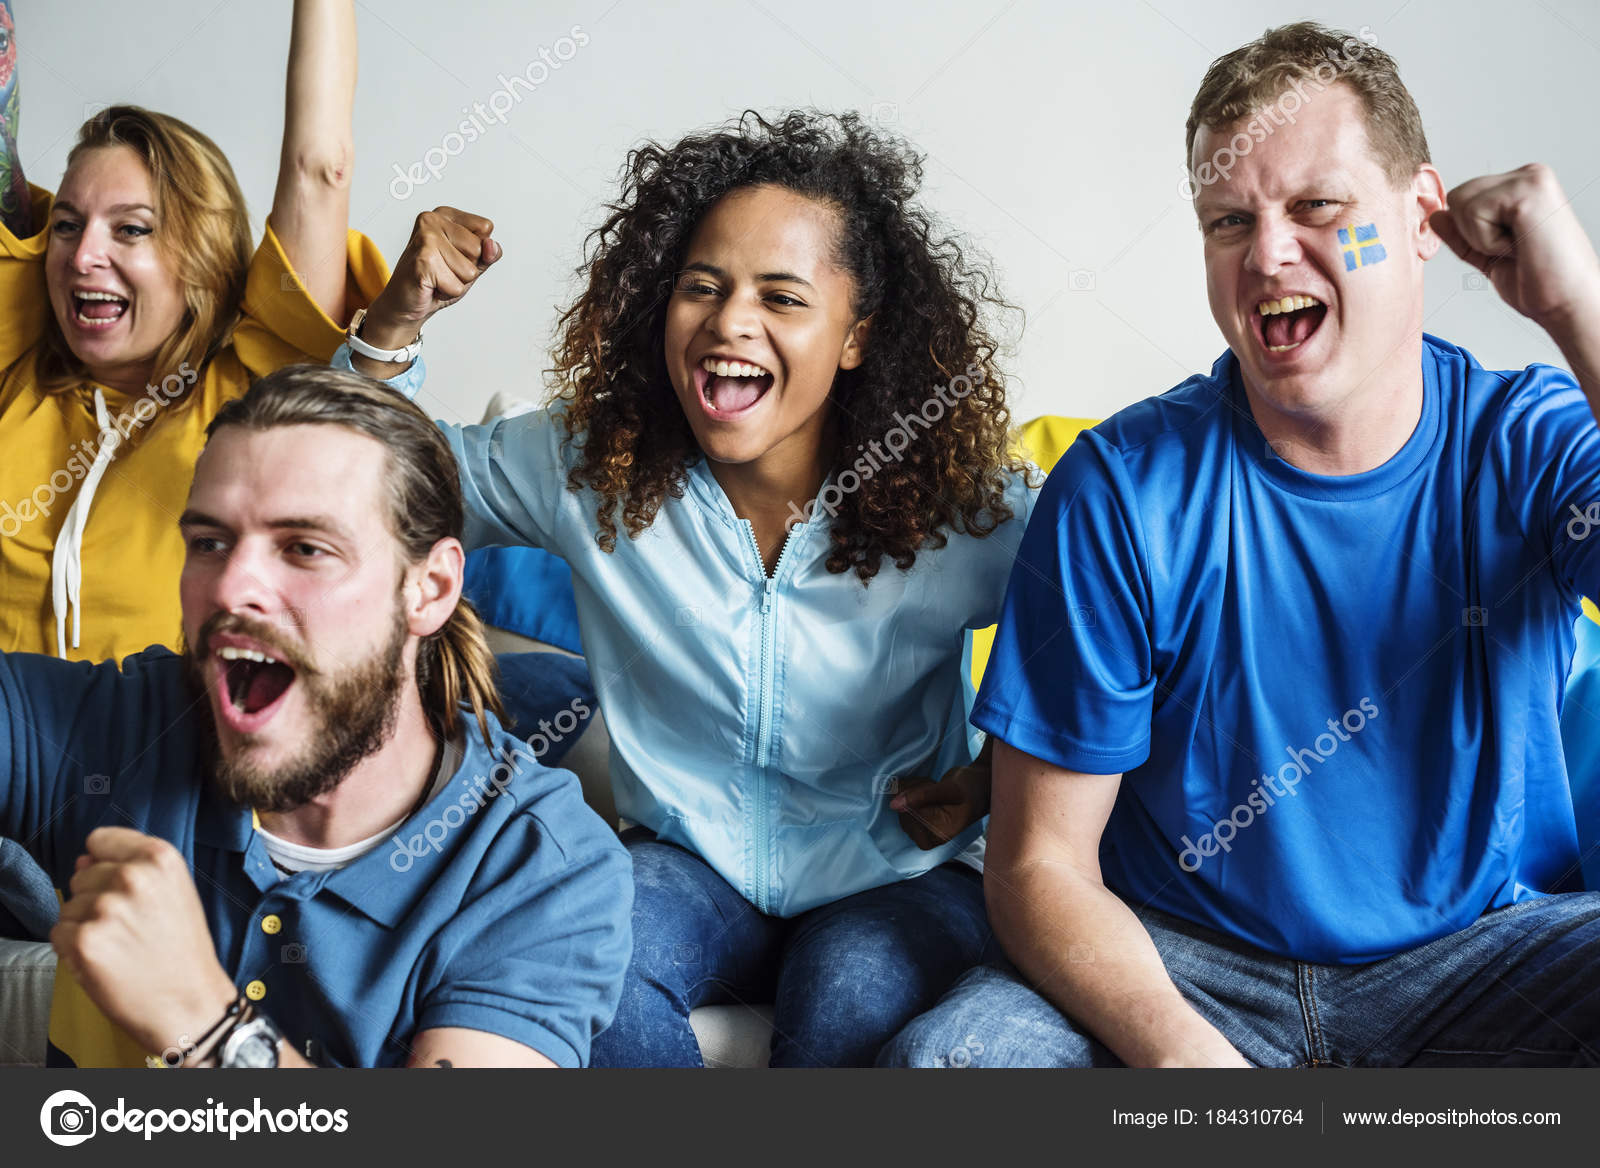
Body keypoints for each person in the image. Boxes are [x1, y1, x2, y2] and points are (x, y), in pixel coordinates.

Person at [880, 21, 1600, 1068]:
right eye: (1229, 221)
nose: (1267, 255)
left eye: (1317, 208)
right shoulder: (1122, 488)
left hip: (1479, 964)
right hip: (1184, 965)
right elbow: (1040, 867)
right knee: (953, 1064)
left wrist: (1577, 308)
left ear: (1419, 218)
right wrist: (1189, 1062)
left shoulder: (1527, 441)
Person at [335, 111, 1040, 1066]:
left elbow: (1119, 625)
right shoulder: (593, 466)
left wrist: (993, 780)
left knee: (850, 991)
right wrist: (395, 321)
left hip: (901, 876)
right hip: (683, 862)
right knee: (593, 965)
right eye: (701, 286)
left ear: (856, 337)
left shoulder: (956, 505)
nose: (729, 321)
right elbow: (362, 485)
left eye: (781, 297)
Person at [3, 363, 631, 1068]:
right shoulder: (125, 724)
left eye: (305, 548)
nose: (231, 588)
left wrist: (206, 1025)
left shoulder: (540, 867)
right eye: (209, 542)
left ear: (430, 588)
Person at [0, 0, 387, 662]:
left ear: (201, 255)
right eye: (66, 225)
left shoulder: (255, 395)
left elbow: (320, 169)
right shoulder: (17, 370)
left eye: (131, 229)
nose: (83, 255)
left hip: (168, 730)